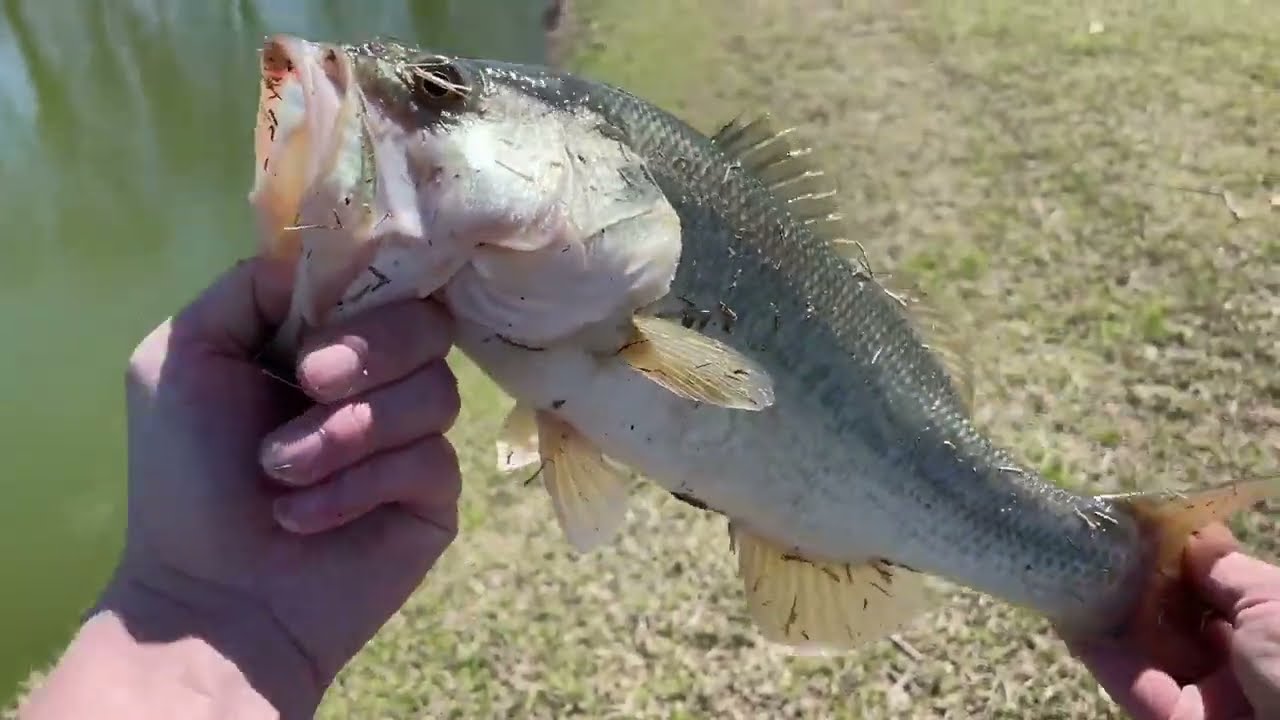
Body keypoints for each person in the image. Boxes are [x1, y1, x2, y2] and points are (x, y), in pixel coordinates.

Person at [15, 256, 1280, 719]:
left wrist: (198, 633)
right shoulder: (539, 302)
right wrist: (213, 622)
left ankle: (1105, 571)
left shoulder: (593, 300)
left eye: (441, 101)